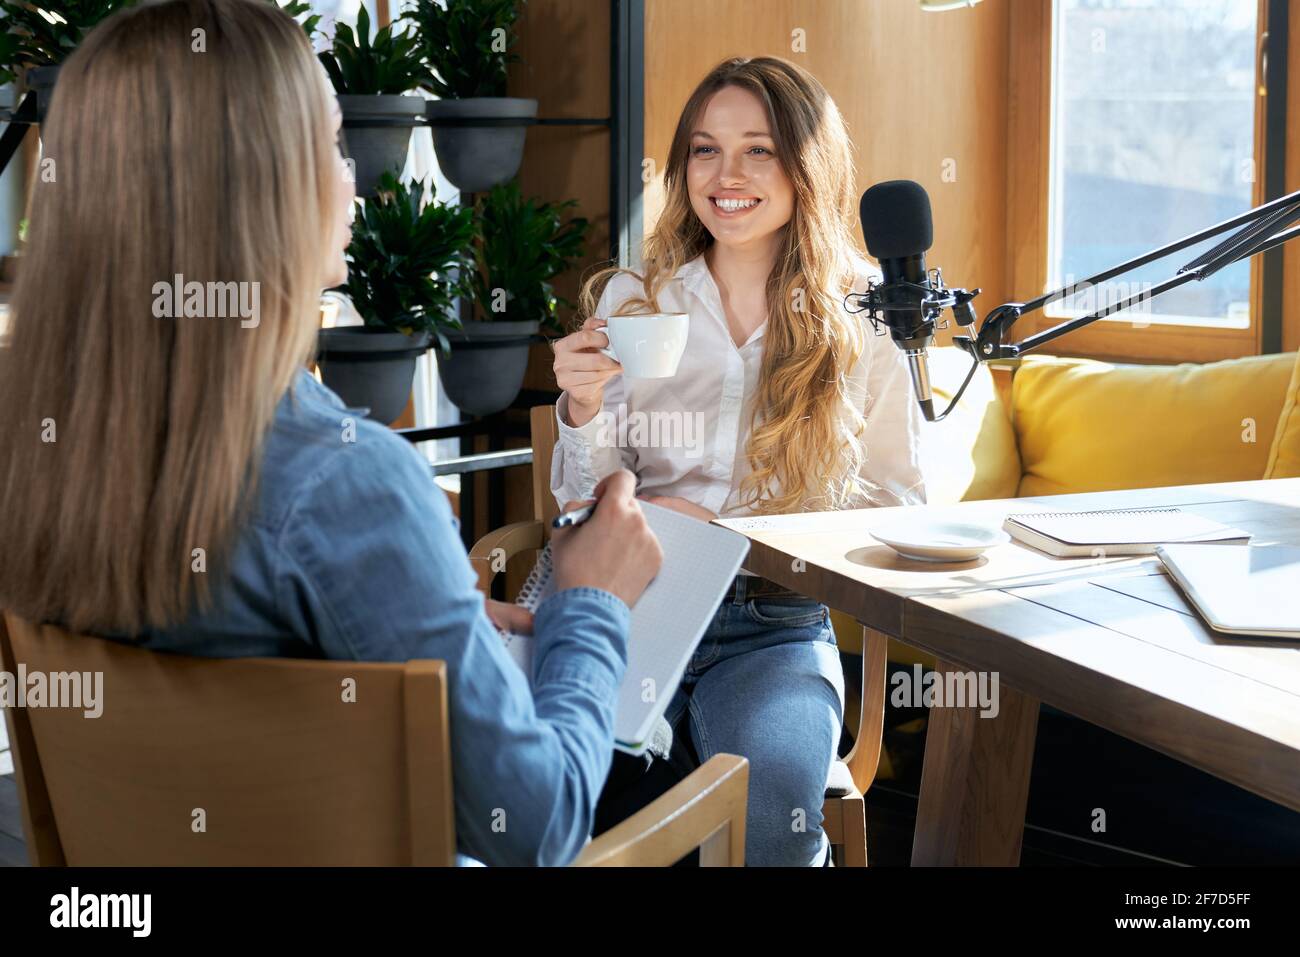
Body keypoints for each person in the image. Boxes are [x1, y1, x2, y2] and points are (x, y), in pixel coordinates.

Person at [0, 0, 663, 867]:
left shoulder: (35, 449)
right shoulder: (344, 484)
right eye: (333, 144)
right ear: (259, 190)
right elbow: (536, 828)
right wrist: (591, 603)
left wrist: (438, 614)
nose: (359, 179)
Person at [551, 57, 927, 866]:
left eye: (758, 150)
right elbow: (581, 501)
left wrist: (729, 535)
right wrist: (581, 411)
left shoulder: (865, 312)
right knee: (556, 796)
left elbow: (900, 504)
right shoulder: (635, 300)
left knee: (771, 826)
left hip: (776, 623)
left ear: (804, 166)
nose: (727, 175)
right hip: (633, 607)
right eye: (704, 149)